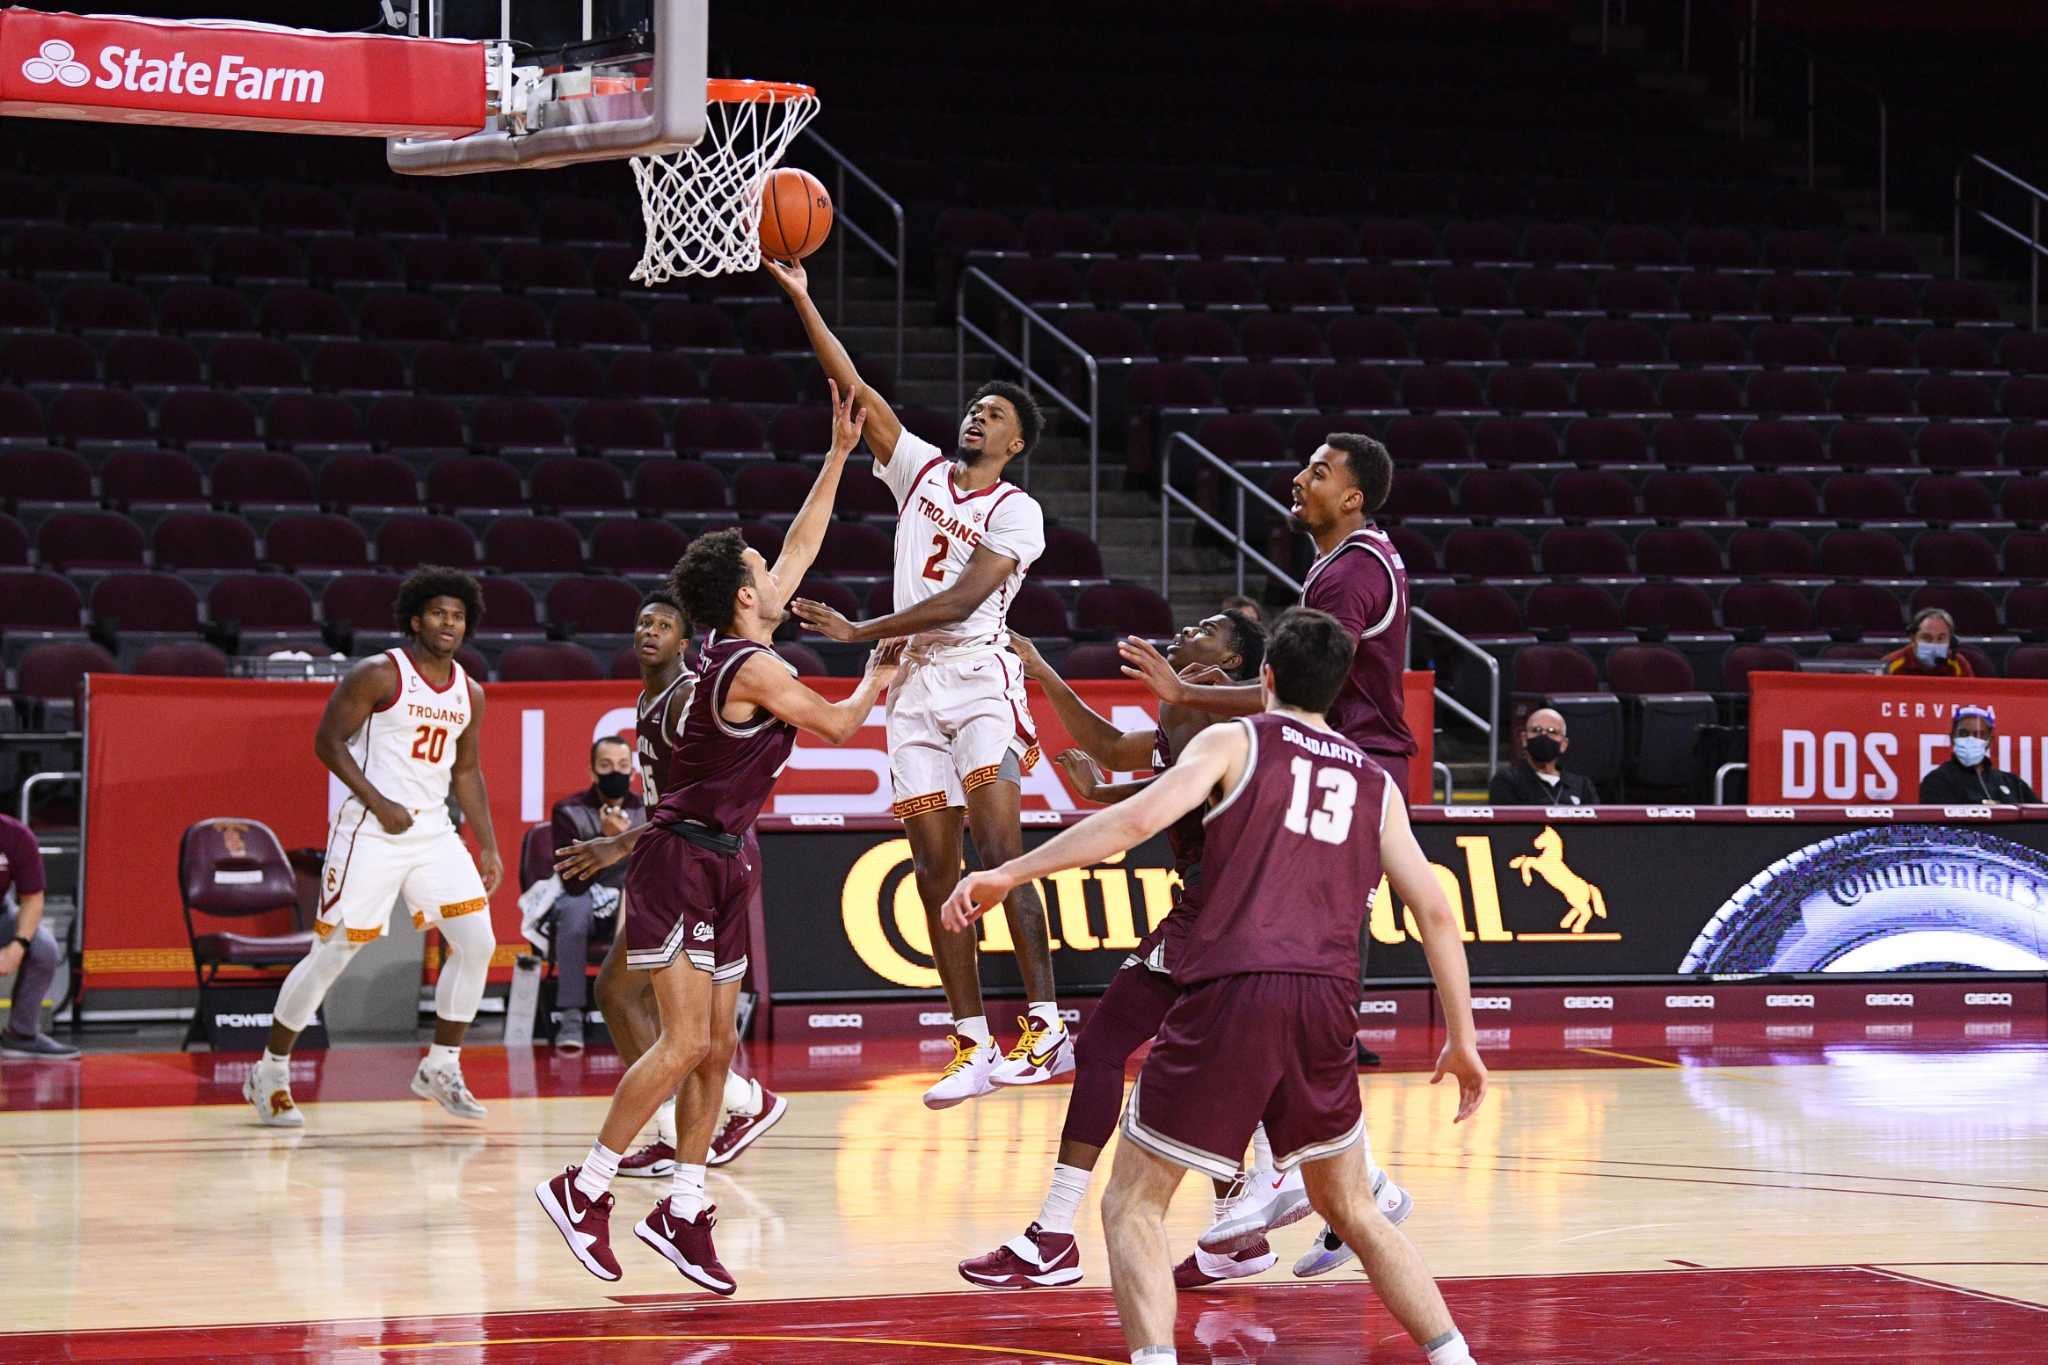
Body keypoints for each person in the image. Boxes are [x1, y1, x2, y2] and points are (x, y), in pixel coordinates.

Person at [944, 608, 1488, 1365]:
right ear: (1336, 692)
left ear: (1263, 679)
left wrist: (1009, 869)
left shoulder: (1235, 737)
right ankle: (1454, 1354)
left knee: (1133, 1203)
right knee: (1356, 1208)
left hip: (1238, 983)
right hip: (1329, 1002)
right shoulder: (1374, 781)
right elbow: (1434, 908)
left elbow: (1134, 821)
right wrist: (1463, 1037)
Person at [538, 389, 903, 1293]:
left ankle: (687, 1205)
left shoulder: (711, 661)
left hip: (725, 854)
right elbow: (841, 726)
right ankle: (582, 1186)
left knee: (715, 1049)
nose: (778, 573)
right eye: (762, 571)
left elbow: (801, 546)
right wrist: (882, 668)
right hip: (684, 858)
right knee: (678, 1043)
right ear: (748, 599)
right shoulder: (749, 664)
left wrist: (836, 453)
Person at [767, 254, 1069, 1110]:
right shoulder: (922, 471)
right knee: (935, 871)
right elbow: (854, 390)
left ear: (1015, 443)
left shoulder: (1016, 509)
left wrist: (865, 631)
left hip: (976, 676)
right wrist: (803, 298)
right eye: (975, 406)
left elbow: (969, 596)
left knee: (999, 855)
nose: (978, 415)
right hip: (910, 691)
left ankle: (1045, 1027)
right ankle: (970, 1042)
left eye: (995, 413)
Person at [1118, 432, 1418, 1272]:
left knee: (1278, 958)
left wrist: (1189, 693)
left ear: (1353, 496)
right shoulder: (1351, 560)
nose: (1300, 476)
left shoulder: (1350, 571)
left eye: (1321, 471)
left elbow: (1314, 677)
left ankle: (1313, 1180)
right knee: (1278, 959)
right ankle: (1341, 1186)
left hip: (1352, 775)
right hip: (1343, 769)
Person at [246, 568, 502, 1127]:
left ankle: (441, 1065)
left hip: (434, 832)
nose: (448, 623)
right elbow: (327, 742)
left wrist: (487, 845)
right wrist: (380, 801)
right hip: (370, 828)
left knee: (478, 942)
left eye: (458, 616)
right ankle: (270, 1069)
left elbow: (467, 771)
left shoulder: (469, 691)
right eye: (438, 612)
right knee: (334, 953)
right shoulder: (379, 673)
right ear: (415, 619)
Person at [585, 611, 789, 1182]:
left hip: (707, 855)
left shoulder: (685, 699)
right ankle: (717, 1115)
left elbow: (698, 800)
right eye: (642, 622)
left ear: (684, 641)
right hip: (676, 854)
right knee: (625, 995)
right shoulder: (647, 698)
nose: (648, 631)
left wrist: (618, 846)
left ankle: (727, 1112)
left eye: (663, 625)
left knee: (681, 1024)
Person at [547, 736, 645, 1053]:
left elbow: (655, 868)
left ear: (633, 773)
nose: (613, 772)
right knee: (573, 909)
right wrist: (606, 840)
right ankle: (571, 1016)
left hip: (634, 901)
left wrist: (624, 843)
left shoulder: (648, 811)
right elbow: (573, 882)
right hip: (588, 898)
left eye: (621, 766)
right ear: (592, 772)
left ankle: (646, 1011)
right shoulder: (569, 811)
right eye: (605, 766)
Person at [0, 811, 77, 1059]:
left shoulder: (15, 835)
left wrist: (18, 945)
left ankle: (20, 1035)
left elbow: (32, 899)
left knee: (44, 948)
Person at [1918, 704, 2038, 804]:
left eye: (1979, 735)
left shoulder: (2012, 783)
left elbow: (2040, 818)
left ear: (1989, 741)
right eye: (1963, 733)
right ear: (1952, 738)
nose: (1971, 739)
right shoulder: (1937, 781)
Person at [1487, 708, 1599, 807]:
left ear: (1564, 744)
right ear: (1524, 739)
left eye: (1552, 731)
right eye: (1536, 730)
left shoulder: (1582, 786)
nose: (1544, 736)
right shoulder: (1507, 781)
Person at [1882, 607, 1974, 678]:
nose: (1934, 644)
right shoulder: (1891, 664)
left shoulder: (1958, 664)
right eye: (1926, 638)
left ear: (1950, 640)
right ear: (1913, 639)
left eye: (1941, 638)